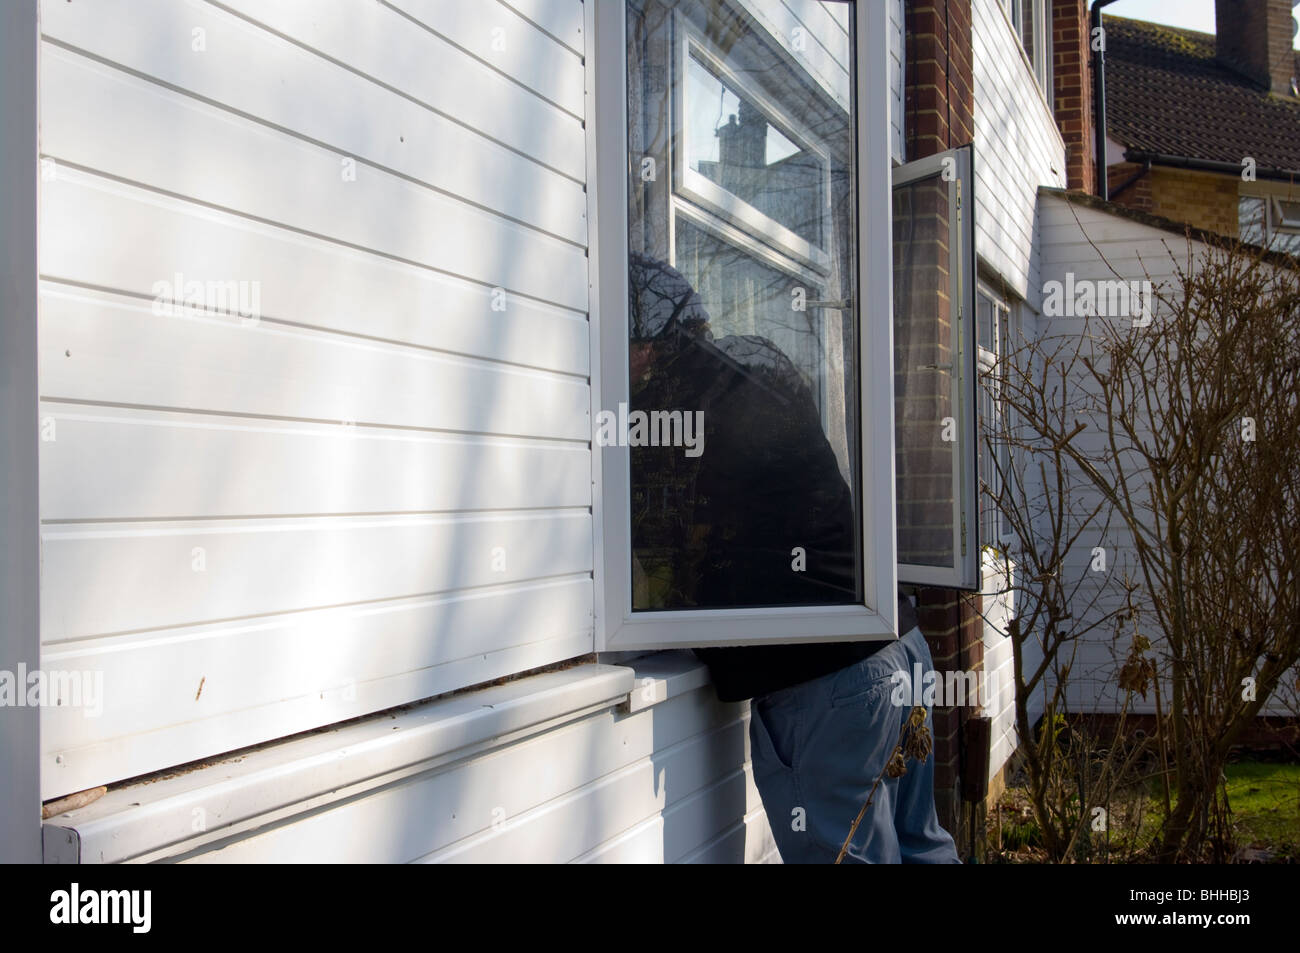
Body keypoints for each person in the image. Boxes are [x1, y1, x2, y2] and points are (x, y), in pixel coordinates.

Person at [627, 253, 959, 864]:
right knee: (921, 848)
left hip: (827, 684)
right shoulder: (750, 376)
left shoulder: (672, 413)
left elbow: (662, 551)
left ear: (645, 342)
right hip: (897, 648)